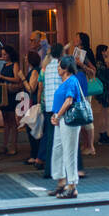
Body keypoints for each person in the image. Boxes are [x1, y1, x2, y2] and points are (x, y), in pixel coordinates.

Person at [48, 55, 85, 199]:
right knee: (57, 150)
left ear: (65, 69)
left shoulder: (71, 81)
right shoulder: (65, 81)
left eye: (59, 66)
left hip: (69, 120)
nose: (57, 68)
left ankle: (72, 186)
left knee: (69, 152)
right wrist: (56, 116)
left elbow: (69, 101)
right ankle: (61, 182)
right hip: (60, 119)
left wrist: (57, 116)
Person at [38, 40, 63, 177]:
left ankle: (48, 169)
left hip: (48, 106)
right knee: (59, 139)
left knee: (49, 138)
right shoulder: (60, 66)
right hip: (58, 107)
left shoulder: (46, 67)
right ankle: (56, 169)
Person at [0, 45, 23, 156]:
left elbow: (17, 79)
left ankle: (13, 145)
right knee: (6, 120)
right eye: (2, 54)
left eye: (5, 54)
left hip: (11, 94)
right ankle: (5, 144)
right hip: (4, 94)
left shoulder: (14, 64)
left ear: (10, 54)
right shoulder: (4, 65)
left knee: (12, 120)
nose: (3, 56)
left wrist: (2, 76)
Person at [90, 45, 109, 146]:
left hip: (102, 90)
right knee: (104, 113)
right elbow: (106, 78)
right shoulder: (101, 64)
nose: (107, 53)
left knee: (104, 112)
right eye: (106, 51)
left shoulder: (99, 63)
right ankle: (103, 134)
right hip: (104, 90)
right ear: (102, 52)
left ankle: (103, 134)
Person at [21, 50, 44, 166]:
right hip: (31, 102)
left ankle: (35, 155)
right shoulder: (34, 70)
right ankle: (35, 154)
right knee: (33, 128)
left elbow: (31, 88)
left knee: (32, 129)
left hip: (33, 103)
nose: (25, 60)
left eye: (26, 58)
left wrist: (23, 78)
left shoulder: (35, 71)